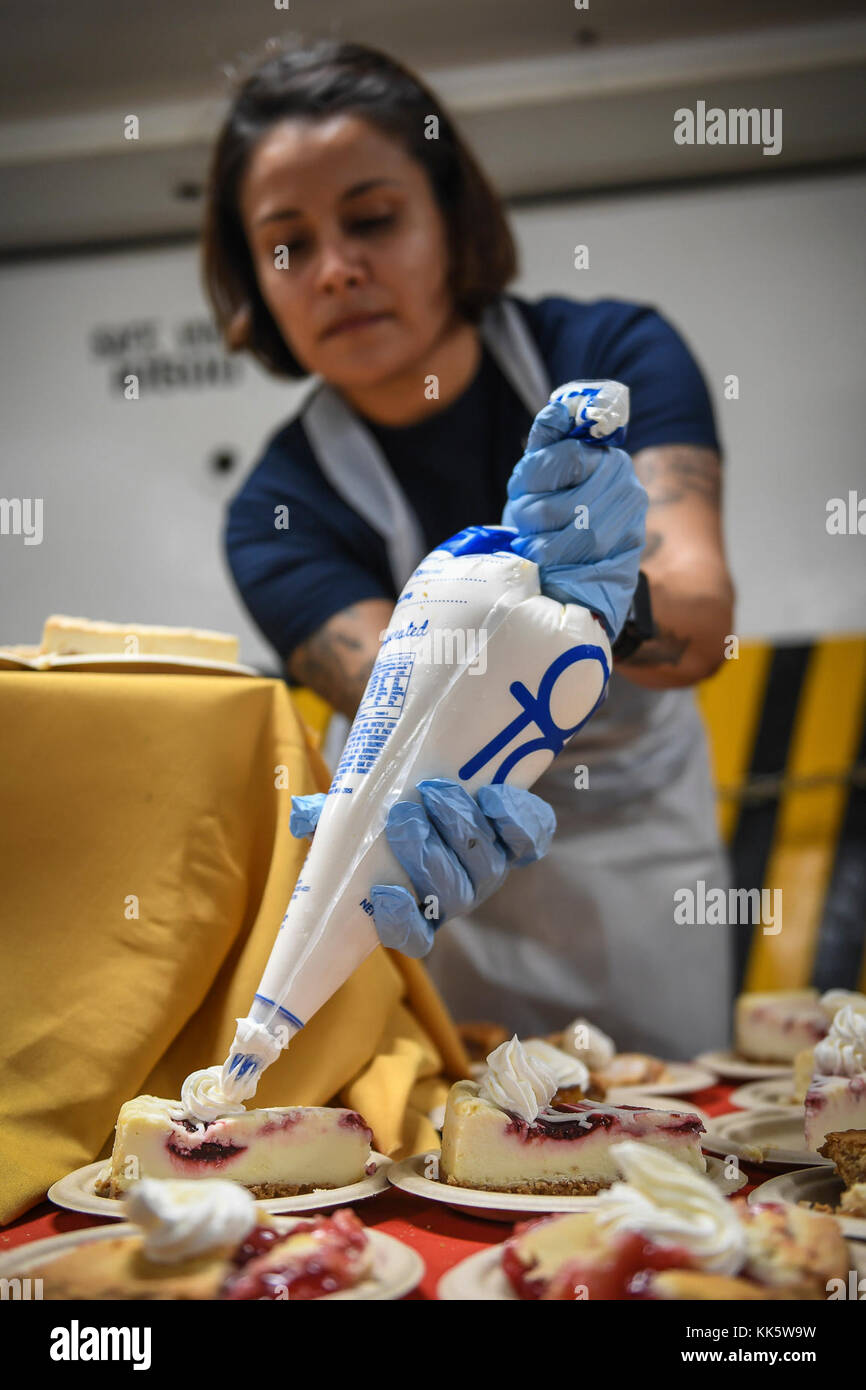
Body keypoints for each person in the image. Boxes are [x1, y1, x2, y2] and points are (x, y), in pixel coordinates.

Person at [204, 38, 735, 1058]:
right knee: (463, 1124)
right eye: (288, 245)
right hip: (450, 881)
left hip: (642, 859)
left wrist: (600, 596)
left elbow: (702, 627)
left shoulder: (610, 360)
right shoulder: (279, 510)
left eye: (371, 219)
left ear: (452, 218)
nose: (336, 269)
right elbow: (408, 715)